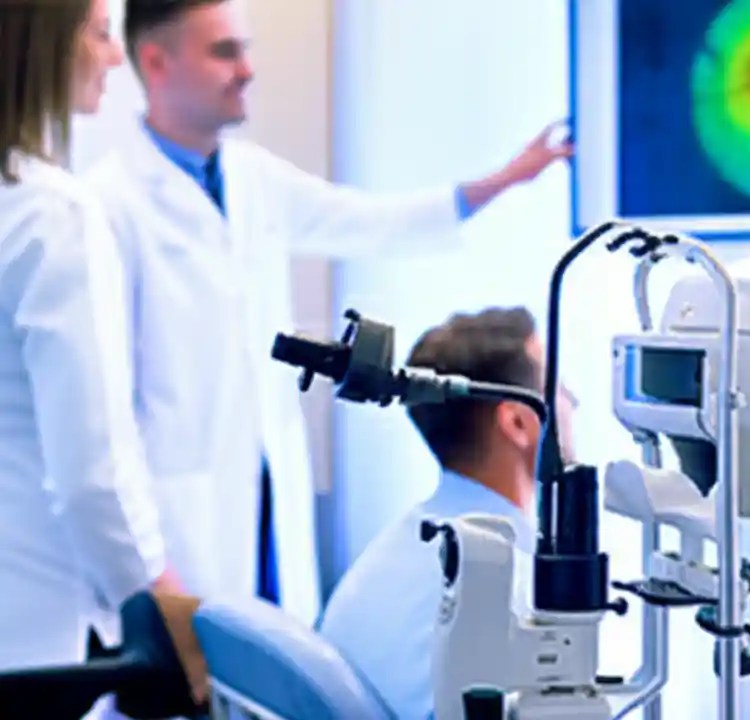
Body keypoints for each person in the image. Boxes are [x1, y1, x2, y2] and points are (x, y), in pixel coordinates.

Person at [82, 0, 573, 626]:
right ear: (156, 61)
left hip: (263, 494)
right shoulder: (107, 204)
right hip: (177, 512)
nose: (248, 69)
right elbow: (102, 417)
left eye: (247, 49)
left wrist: (502, 181)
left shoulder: (252, 178)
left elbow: (366, 221)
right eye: (225, 52)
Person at [0, 0, 180, 672]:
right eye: (102, 33)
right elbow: (89, 476)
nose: (114, 57)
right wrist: (157, 592)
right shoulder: (52, 215)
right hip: (28, 635)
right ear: (41, 44)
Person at [319, 307, 577, 719]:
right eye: (559, 387)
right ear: (517, 422)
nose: (572, 402)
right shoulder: (514, 587)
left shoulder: (394, 550)